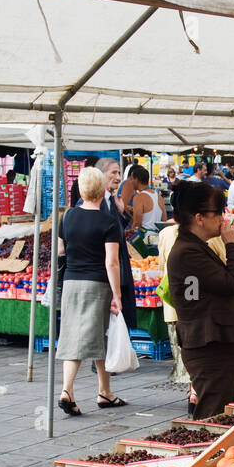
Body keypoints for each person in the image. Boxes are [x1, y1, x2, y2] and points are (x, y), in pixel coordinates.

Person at [167, 181, 234, 418]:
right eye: (218, 213)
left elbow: (205, 291)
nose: (223, 220)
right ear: (199, 218)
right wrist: (233, 246)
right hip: (209, 344)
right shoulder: (188, 251)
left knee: (227, 416)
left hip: (217, 341)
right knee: (213, 417)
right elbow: (232, 282)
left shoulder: (195, 247)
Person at [55, 166, 126, 416]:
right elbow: (112, 262)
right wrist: (117, 294)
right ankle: (74, 391)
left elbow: (61, 251)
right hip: (96, 284)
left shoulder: (68, 217)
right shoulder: (107, 221)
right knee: (91, 337)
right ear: (101, 189)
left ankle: (100, 391)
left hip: (71, 283)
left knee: (83, 336)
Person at [122, 163, 164, 239]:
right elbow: (163, 220)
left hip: (145, 239)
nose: (130, 182)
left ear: (137, 179)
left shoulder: (139, 197)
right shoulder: (158, 197)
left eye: (132, 179)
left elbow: (137, 223)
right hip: (158, 237)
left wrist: (130, 236)